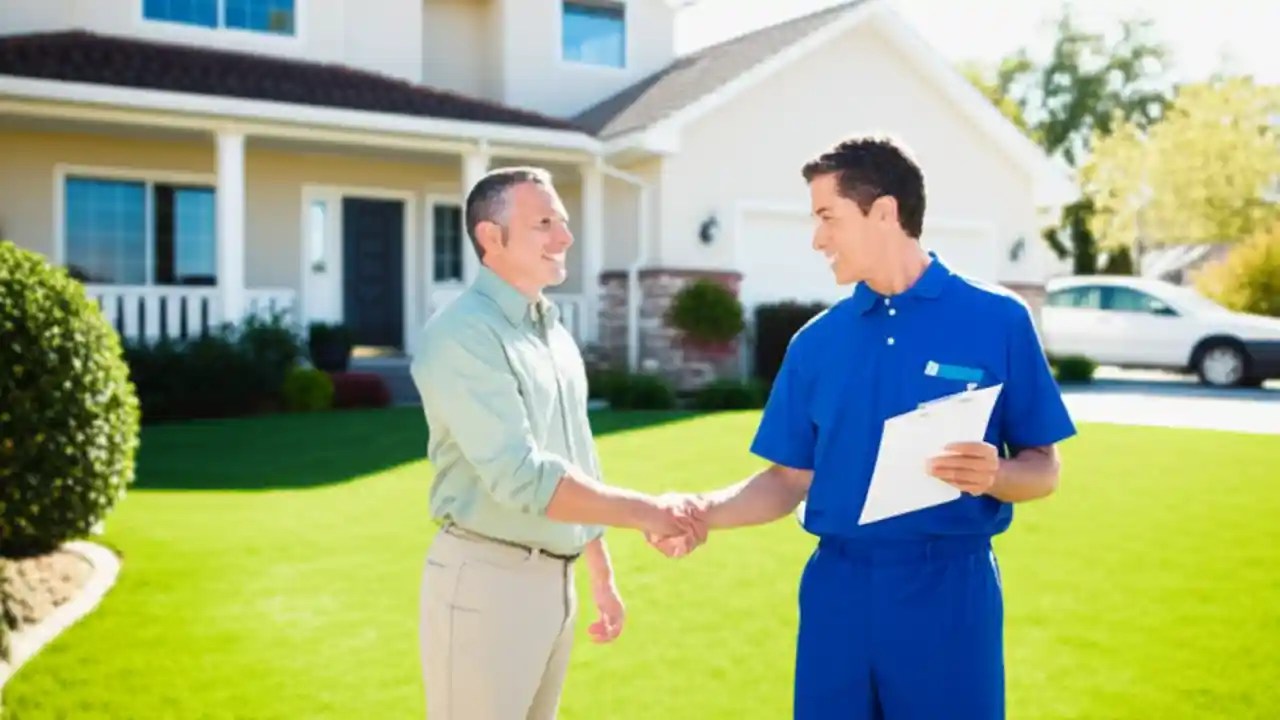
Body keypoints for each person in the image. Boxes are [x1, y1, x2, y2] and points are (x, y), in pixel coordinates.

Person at [648, 135, 1077, 719]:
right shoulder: (815, 344)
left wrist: (997, 473)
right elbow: (785, 480)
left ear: (884, 212)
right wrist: (701, 512)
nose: (817, 237)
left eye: (828, 217)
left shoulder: (998, 319)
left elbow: (1043, 469)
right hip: (838, 594)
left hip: (951, 591)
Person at [409, 166, 705, 720]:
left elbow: (576, 460)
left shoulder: (553, 331)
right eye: (544, 222)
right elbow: (523, 475)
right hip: (487, 585)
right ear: (489, 238)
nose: (564, 238)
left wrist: (599, 572)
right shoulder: (462, 334)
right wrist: (647, 511)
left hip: (556, 585)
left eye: (563, 222)